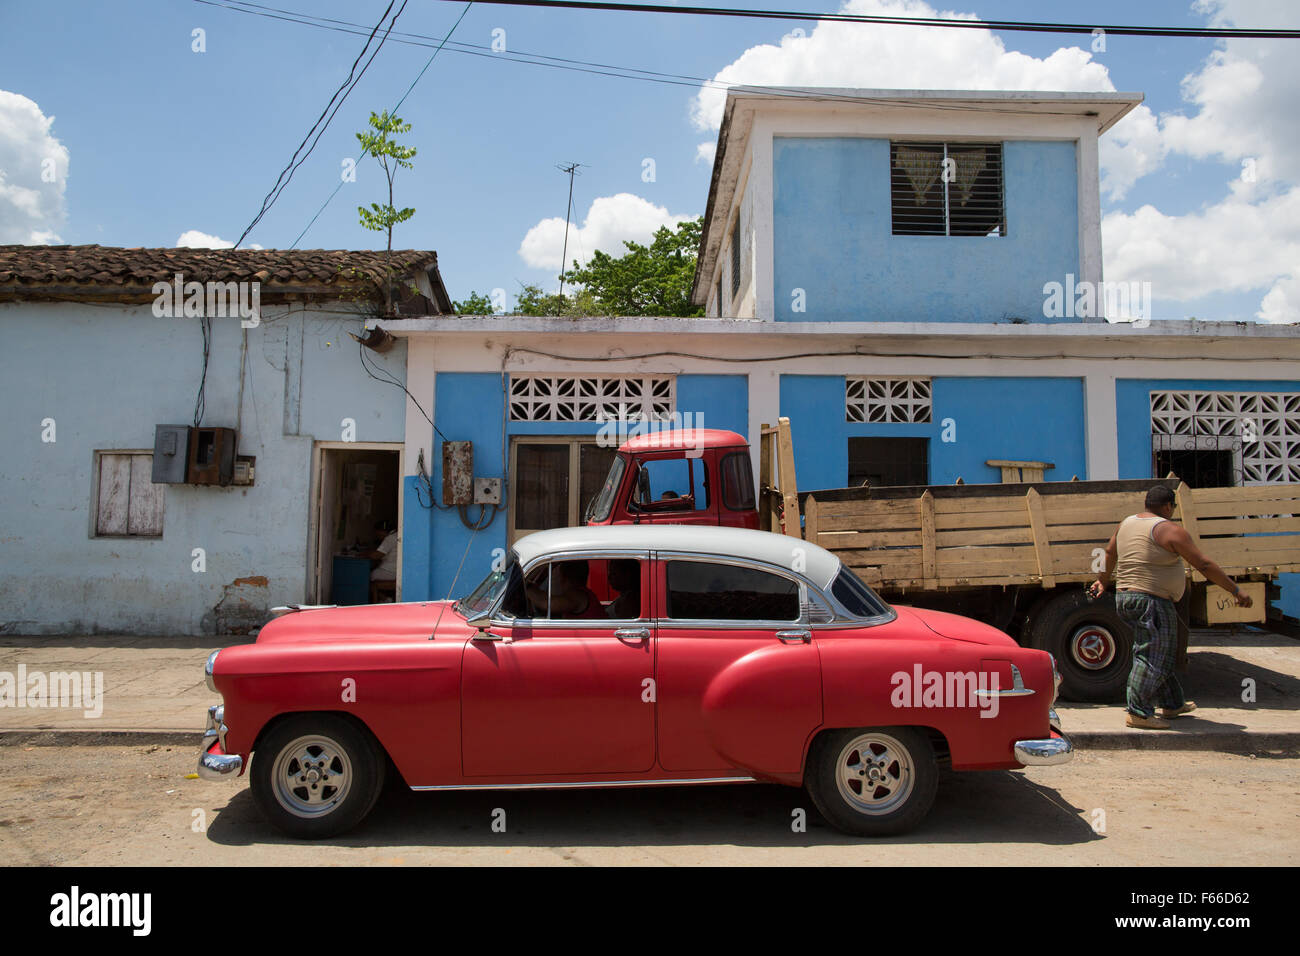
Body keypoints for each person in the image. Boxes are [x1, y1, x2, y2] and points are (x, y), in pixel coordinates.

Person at [1090, 484, 1252, 729]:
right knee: (1152, 656)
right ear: (1168, 506)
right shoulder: (1168, 530)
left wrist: (1102, 580)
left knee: (1161, 652)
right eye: (1173, 507)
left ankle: (1172, 703)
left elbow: (1110, 551)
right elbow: (1204, 565)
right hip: (1150, 601)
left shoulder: (1127, 523)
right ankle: (1138, 713)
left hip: (1126, 598)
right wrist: (1236, 590)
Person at [524, 560, 606, 619]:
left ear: (564, 576)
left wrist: (526, 586)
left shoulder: (577, 595)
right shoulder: (583, 594)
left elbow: (546, 603)